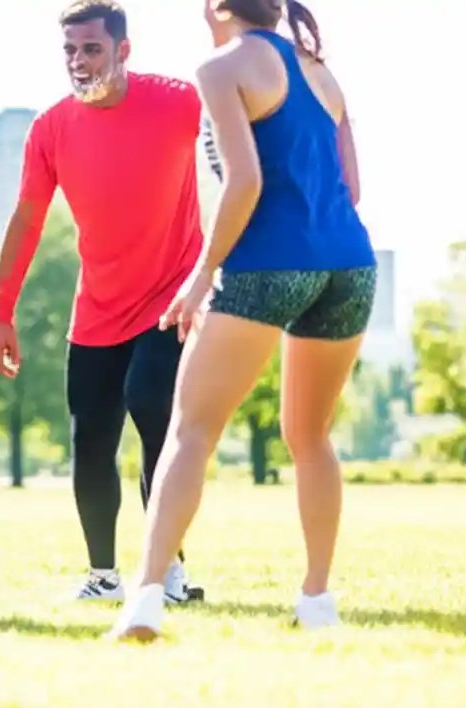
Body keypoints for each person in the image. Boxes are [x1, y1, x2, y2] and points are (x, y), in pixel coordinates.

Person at [110, 0, 372, 640]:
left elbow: (245, 181)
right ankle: (317, 601)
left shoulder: (221, 67)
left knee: (191, 430)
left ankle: (144, 600)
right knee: (310, 436)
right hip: (349, 263)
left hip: (265, 265)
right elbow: (352, 188)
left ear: (215, 5)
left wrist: (202, 276)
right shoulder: (320, 70)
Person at [0, 0, 206, 604]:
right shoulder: (52, 127)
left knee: (152, 407)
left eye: (91, 49)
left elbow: (250, 130)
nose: (80, 62)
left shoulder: (180, 101)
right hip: (98, 309)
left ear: (123, 50)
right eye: (70, 51)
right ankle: (104, 575)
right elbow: (28, 219)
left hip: (171, 298)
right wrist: (2, 312)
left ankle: (168, 568)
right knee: (90, 441)